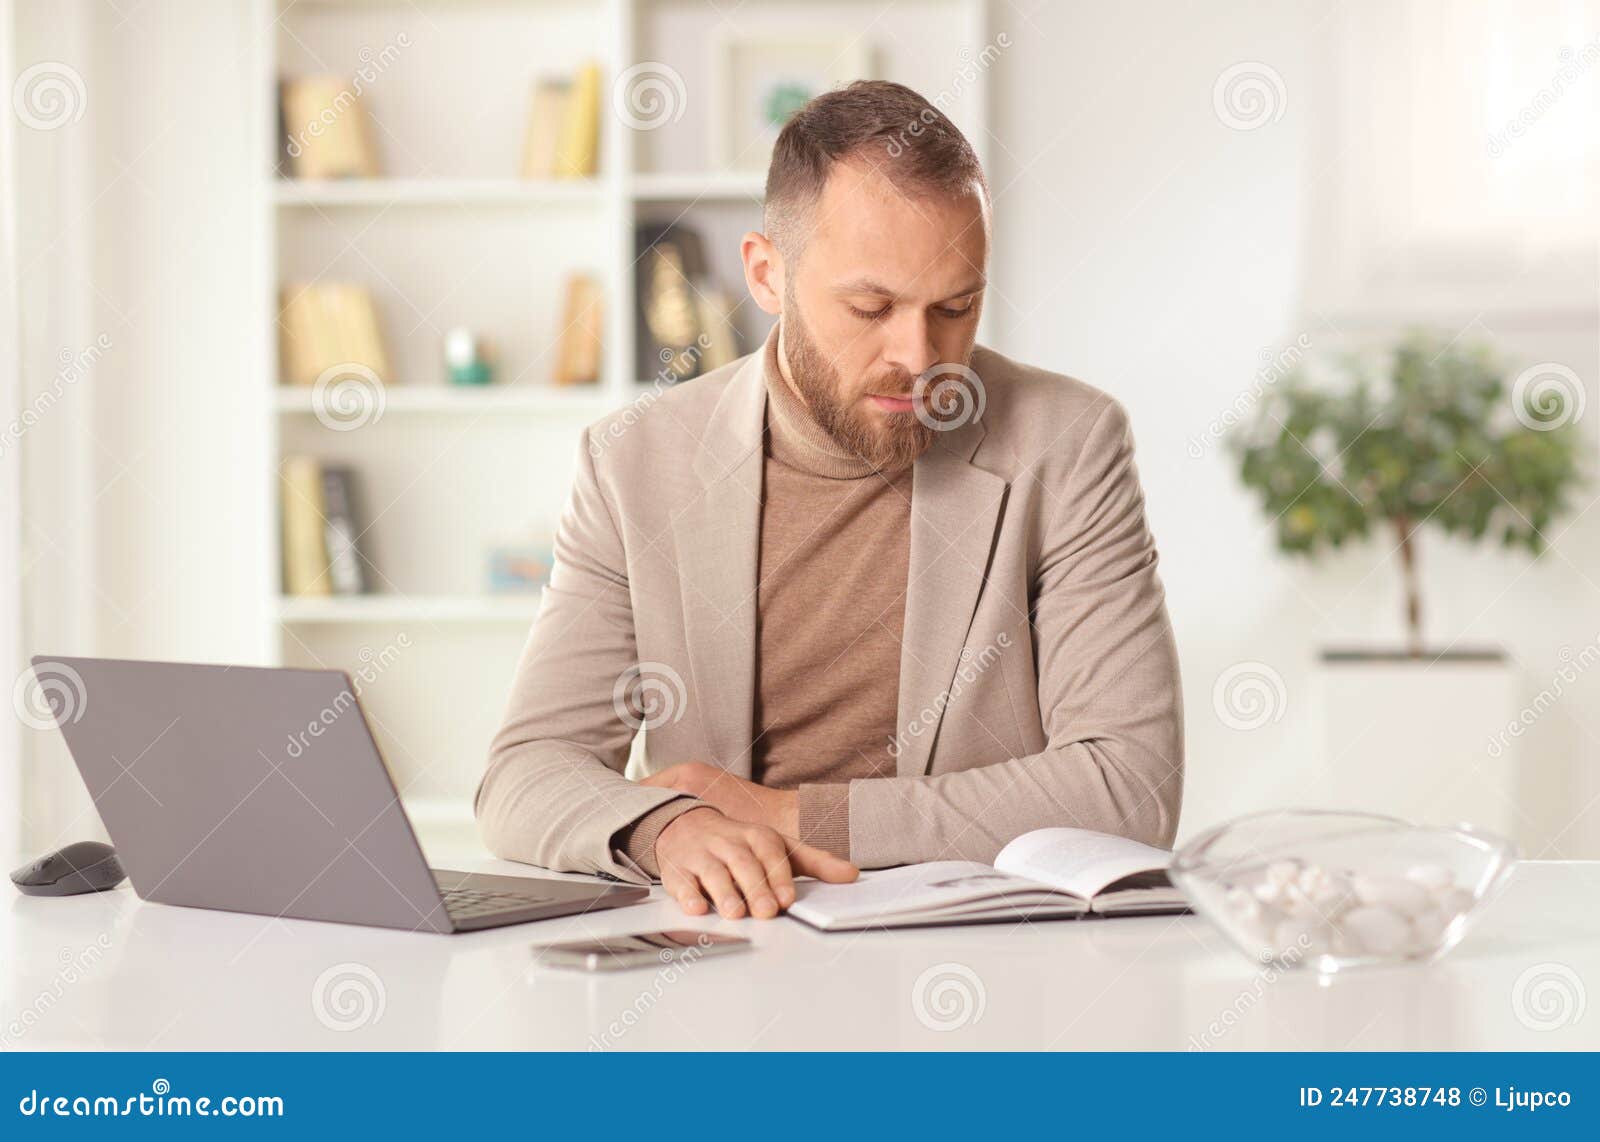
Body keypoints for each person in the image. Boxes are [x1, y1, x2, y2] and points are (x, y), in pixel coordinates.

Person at [477, 80, 1183, 920]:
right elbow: (525, 775)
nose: (920, 356)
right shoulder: (634, 462)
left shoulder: (1068, 443)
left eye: (956, 307)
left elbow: (1131, 784)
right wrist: (666, 828)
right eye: (870, 307)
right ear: (767, 275)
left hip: (986, 956)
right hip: (735, 944)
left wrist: (790, 817)